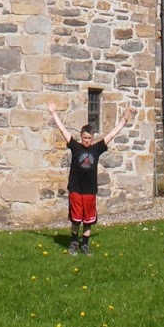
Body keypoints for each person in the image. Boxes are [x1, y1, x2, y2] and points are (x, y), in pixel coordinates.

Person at [46, 99, 134, 255]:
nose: (87, 141)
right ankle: (73, 243)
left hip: (89, 191)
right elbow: (63, 131)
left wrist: (123, 121)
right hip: (75, 189)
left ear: (92, 139)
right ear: (81, 137)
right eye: (85, 138)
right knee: (76, 219)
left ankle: (85, 245)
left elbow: (112, 135)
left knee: (88, 220)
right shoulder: (75, 146)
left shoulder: (97, 149)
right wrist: (53, 113)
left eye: (89, 138)